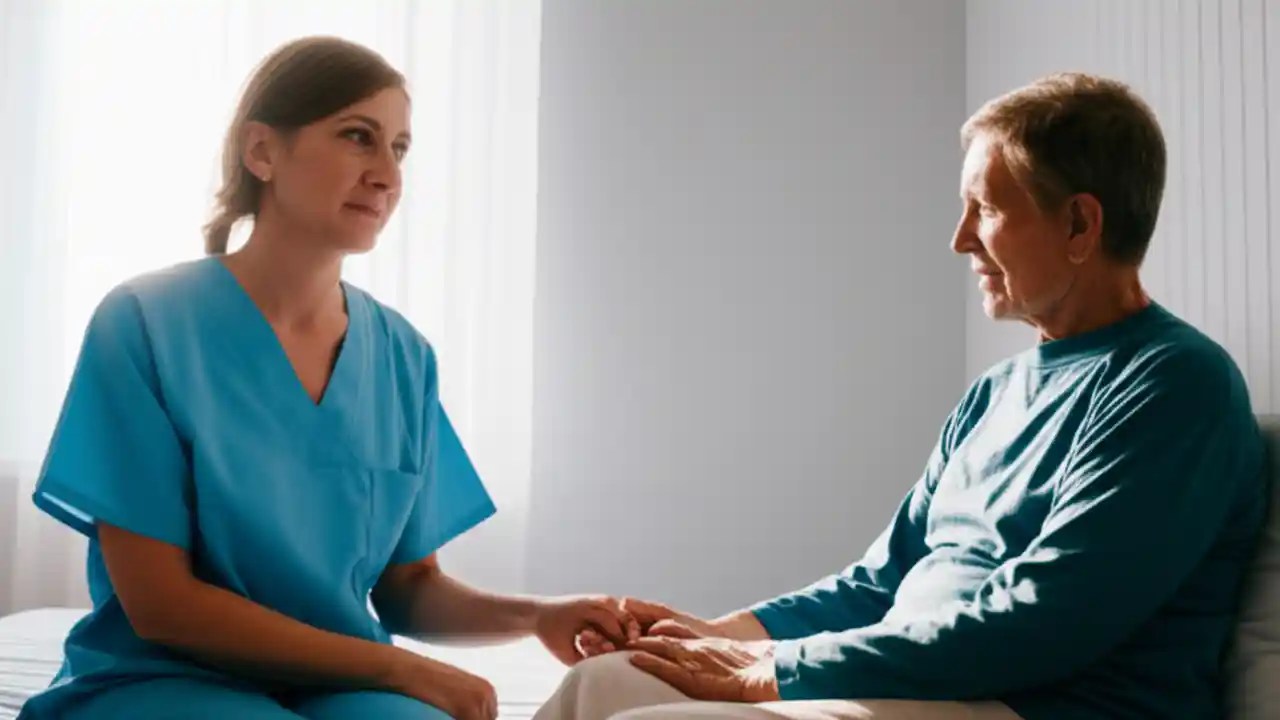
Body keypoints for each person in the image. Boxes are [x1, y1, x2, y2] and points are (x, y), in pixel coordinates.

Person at [538, 73, 1268, 720]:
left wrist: (775, 672)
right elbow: (881, 582)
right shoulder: (995, 393)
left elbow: (1047, 620)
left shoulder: (1173, 383)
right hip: (924, 690)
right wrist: (717, 636)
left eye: (984, 208)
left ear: (1079, 223)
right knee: (605, 685)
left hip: (1038, 704)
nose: (960, 240)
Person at [19, 36, 635, 720]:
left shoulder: (403, 355)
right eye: (357, 137)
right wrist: (401, 666)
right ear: (262, 153)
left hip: (338, 686)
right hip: (162, 677)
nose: (387, 175)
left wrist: (540, 616)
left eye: (399, 148)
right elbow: (162, 605)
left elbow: (408, 587)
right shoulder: (145, 324)